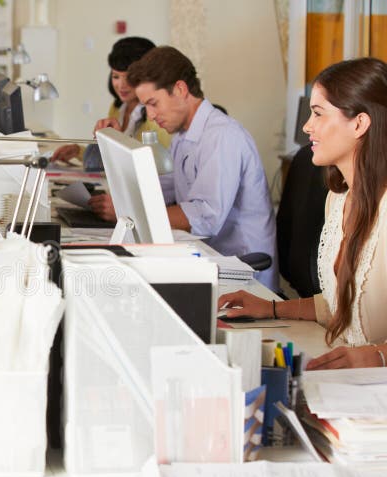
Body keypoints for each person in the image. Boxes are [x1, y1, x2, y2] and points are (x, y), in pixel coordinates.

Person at [220, 57, 387, 370]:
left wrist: (374, 355)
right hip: (349, 377)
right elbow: (340, 305)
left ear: (359, 124)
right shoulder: (338, 199)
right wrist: (270, 308)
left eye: (318, 114)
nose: (307, 127)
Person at [100, 45, 277, 290]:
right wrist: (123, 194)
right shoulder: (184, 135)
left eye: (154, 103)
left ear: (181, 89)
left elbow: (205, 215)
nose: (151, 116)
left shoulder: (222, 136)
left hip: (241, 275)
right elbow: (167, 186)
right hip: (208, 259)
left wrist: (131, 211)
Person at [51, 37, 170, 164]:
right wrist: (79, 152)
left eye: (129, 77)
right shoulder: (117, 107)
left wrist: (117, 140)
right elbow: (110, 159)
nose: (121, 85)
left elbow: (150, 165)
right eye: (115, 76)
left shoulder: (157, 116)